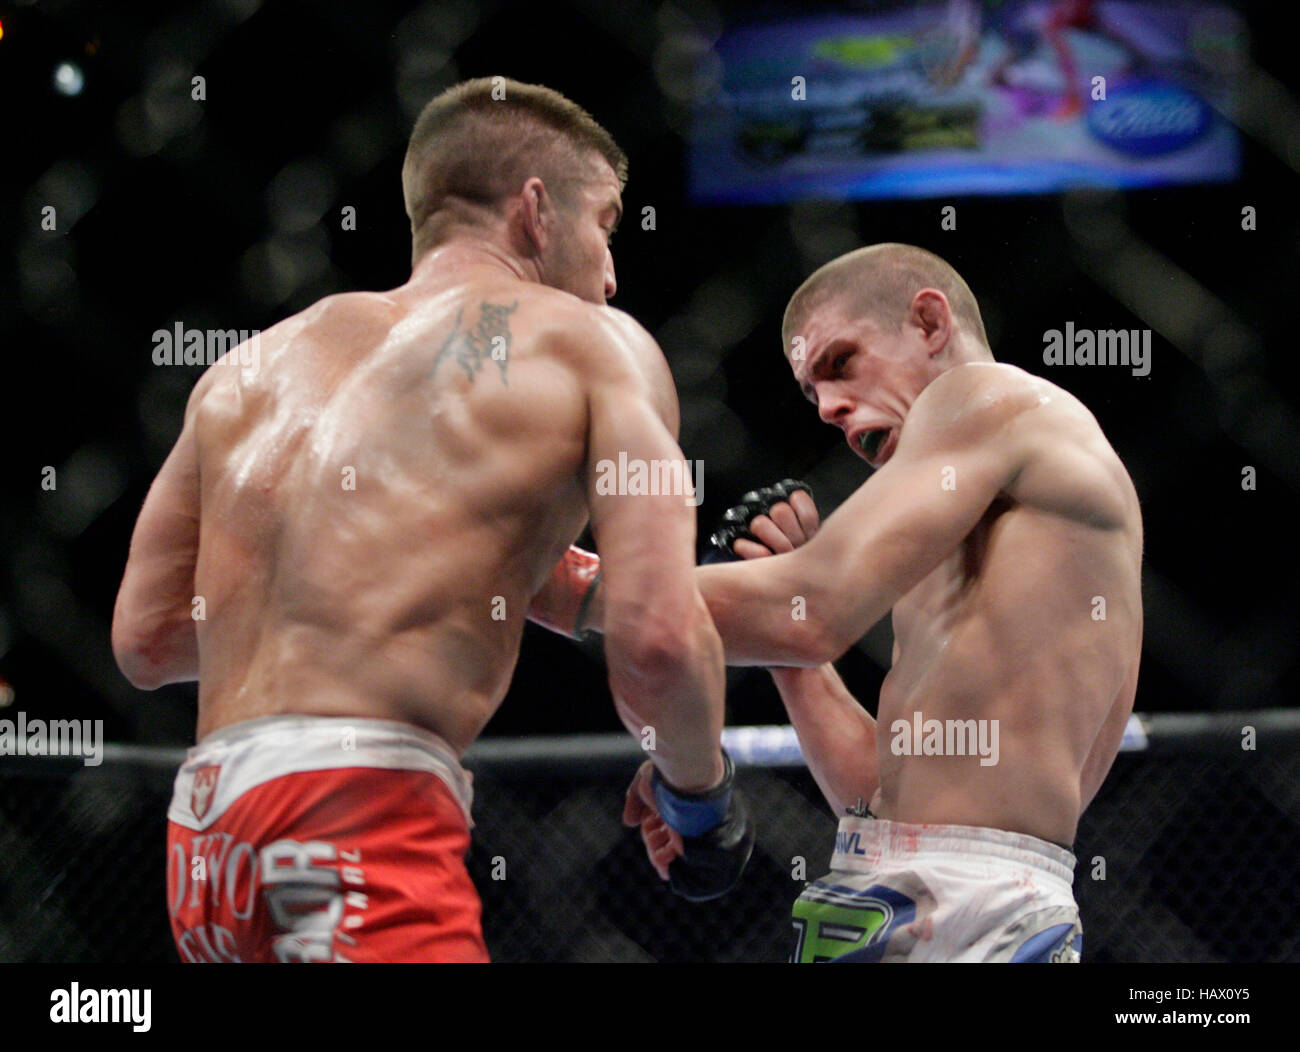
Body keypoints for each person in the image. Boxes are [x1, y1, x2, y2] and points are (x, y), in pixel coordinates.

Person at [111, 77, 750, 963]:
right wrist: (700, 796)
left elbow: (146, 639)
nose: (611, 271)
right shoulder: (591, 343)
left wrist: (406, 595)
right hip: (358, 814)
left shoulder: (246, 371)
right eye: (606, 224)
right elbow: (658, 638)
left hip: (207, 841)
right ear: (536, 210)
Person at [552, 243, 1144, 962]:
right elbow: (888, 792)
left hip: (973, 902)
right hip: (907, 885)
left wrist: (545, 580)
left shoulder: (990, 398)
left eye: (841, 364)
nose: (831, 408)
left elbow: (816, 607)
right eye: (812, 394)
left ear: (929, 323)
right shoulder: (964, 537)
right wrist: (791, 657)